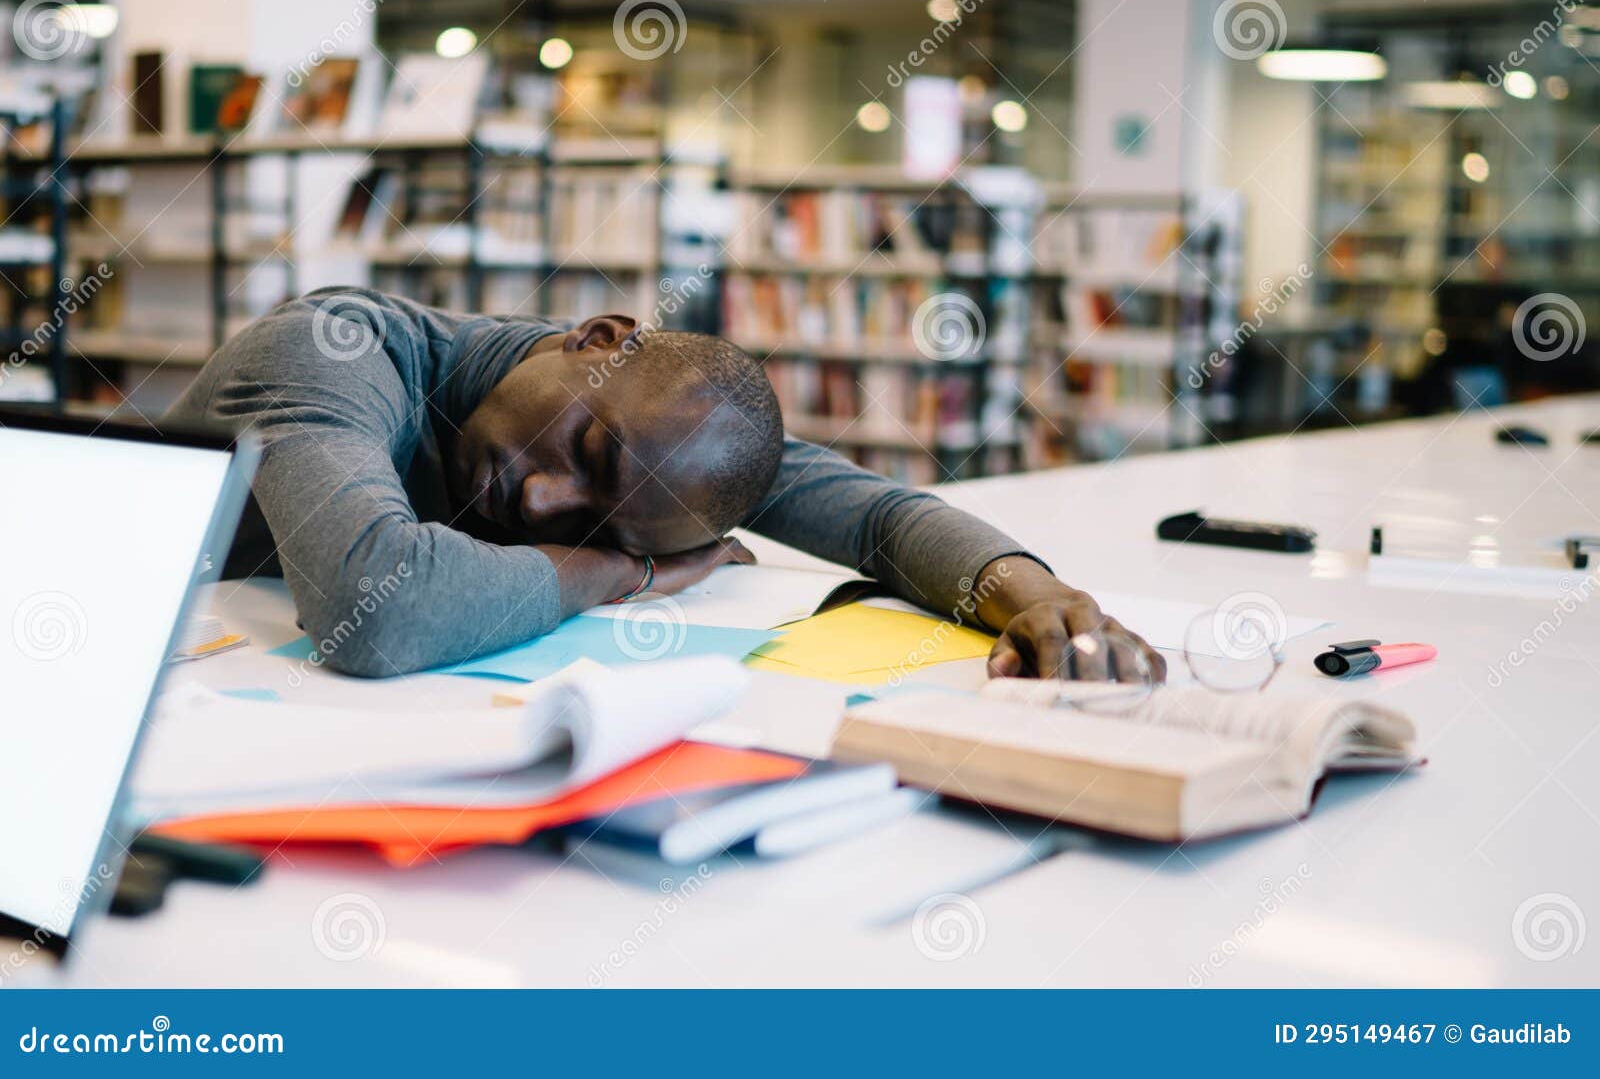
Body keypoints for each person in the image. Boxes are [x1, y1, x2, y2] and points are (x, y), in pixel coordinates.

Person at [167, 287, 1163, 682]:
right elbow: (372, 610)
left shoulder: (659, 427)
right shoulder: (329, 352)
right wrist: (624, 572)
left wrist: (1031, 593)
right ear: (597, 339)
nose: (546, 503)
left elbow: (879, 517)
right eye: (588, 456)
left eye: (607, 520)